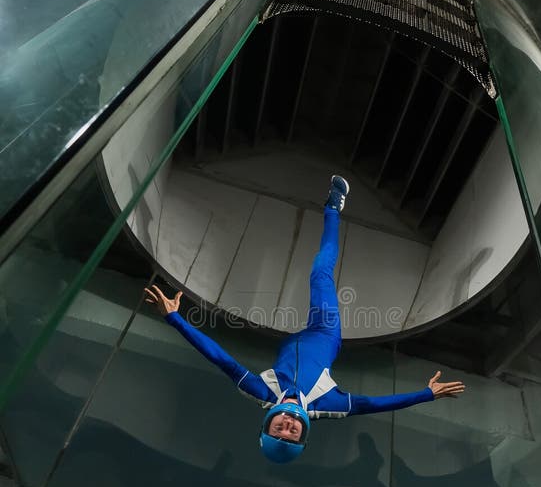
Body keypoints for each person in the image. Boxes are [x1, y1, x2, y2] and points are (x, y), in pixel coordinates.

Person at [144, 176, 465, 463]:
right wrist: (427, 394)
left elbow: (220, 358)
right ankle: (333, 208)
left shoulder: (262, 393)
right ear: (303, 434)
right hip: (324, 333)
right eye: (293, 434)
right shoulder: (327, 405)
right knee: (320, 273)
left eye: (278, 431)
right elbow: (374, 404)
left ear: (267, 425)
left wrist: (175, 319)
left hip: (290, 338)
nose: (288, 426)